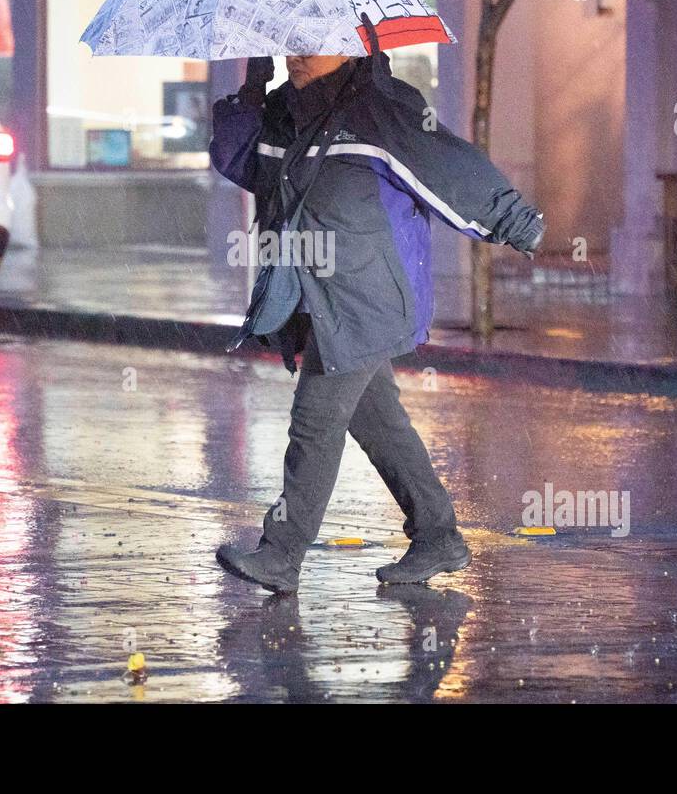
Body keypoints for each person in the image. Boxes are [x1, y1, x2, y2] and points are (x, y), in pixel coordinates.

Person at [210, 45, 543, 594]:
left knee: (315, 423)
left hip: (367, 297)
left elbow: (445, 164)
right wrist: (250, 89)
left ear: (351, 47)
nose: (299, 54)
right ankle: (438, 535)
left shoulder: (379, 109)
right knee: (380, 423)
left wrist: (512, 218)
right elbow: (240, 160)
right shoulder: (284, 113)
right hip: (319, 293)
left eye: (313, 44)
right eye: (292, 43)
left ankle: (282, 553)